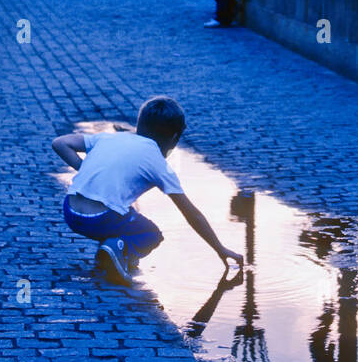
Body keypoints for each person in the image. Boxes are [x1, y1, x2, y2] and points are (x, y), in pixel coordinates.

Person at [52, 95, 243, 285]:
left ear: (139, 124)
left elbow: (60, 143)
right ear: (175, 137)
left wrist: (85, 168)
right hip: (100, 219)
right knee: (151, 234)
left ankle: (113, 251)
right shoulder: (157, 163)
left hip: (70, 211)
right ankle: (118, 247)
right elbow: (191, 213)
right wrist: (220, 249)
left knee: (126, 211)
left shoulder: (109, 138)